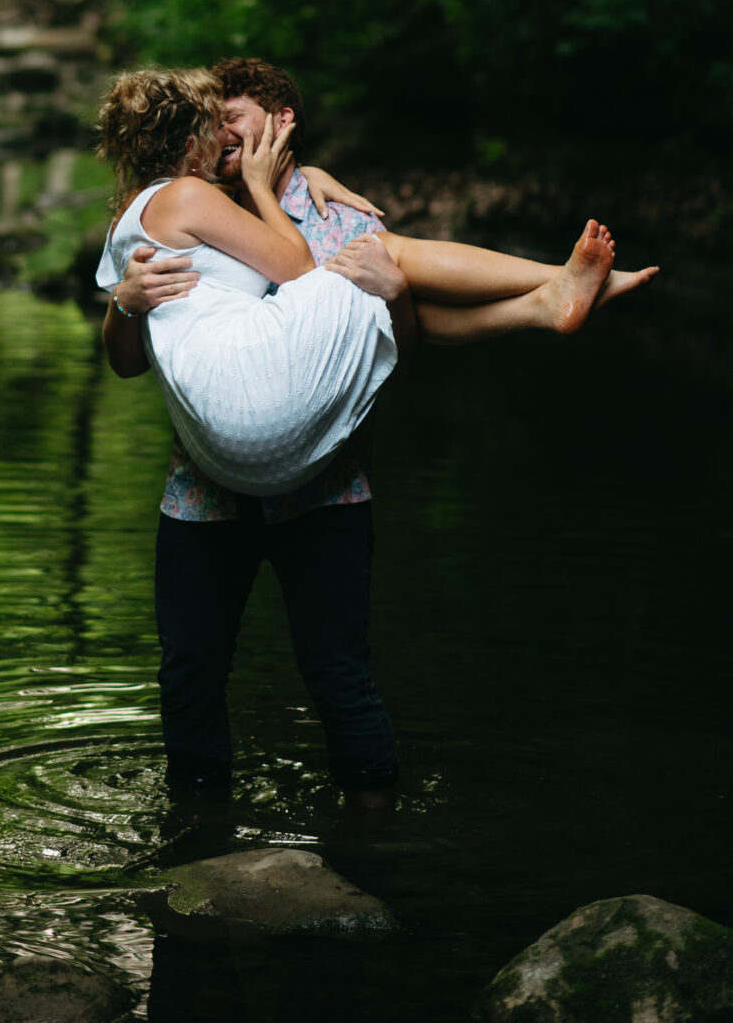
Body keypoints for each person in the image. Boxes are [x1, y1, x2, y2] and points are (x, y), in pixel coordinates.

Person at [98, 59, 657, 805]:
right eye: (216, 120)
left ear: (282, 123)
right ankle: (197, 822)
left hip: (324, 487)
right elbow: (130, 361)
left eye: (238, 118)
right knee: (191, 669)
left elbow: (397, 353)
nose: (226, 132)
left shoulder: (337, 217)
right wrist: (124, 301)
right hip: (206, 488)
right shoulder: (186, 203)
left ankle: (375, 830)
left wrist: (391, 297)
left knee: (337, 672)